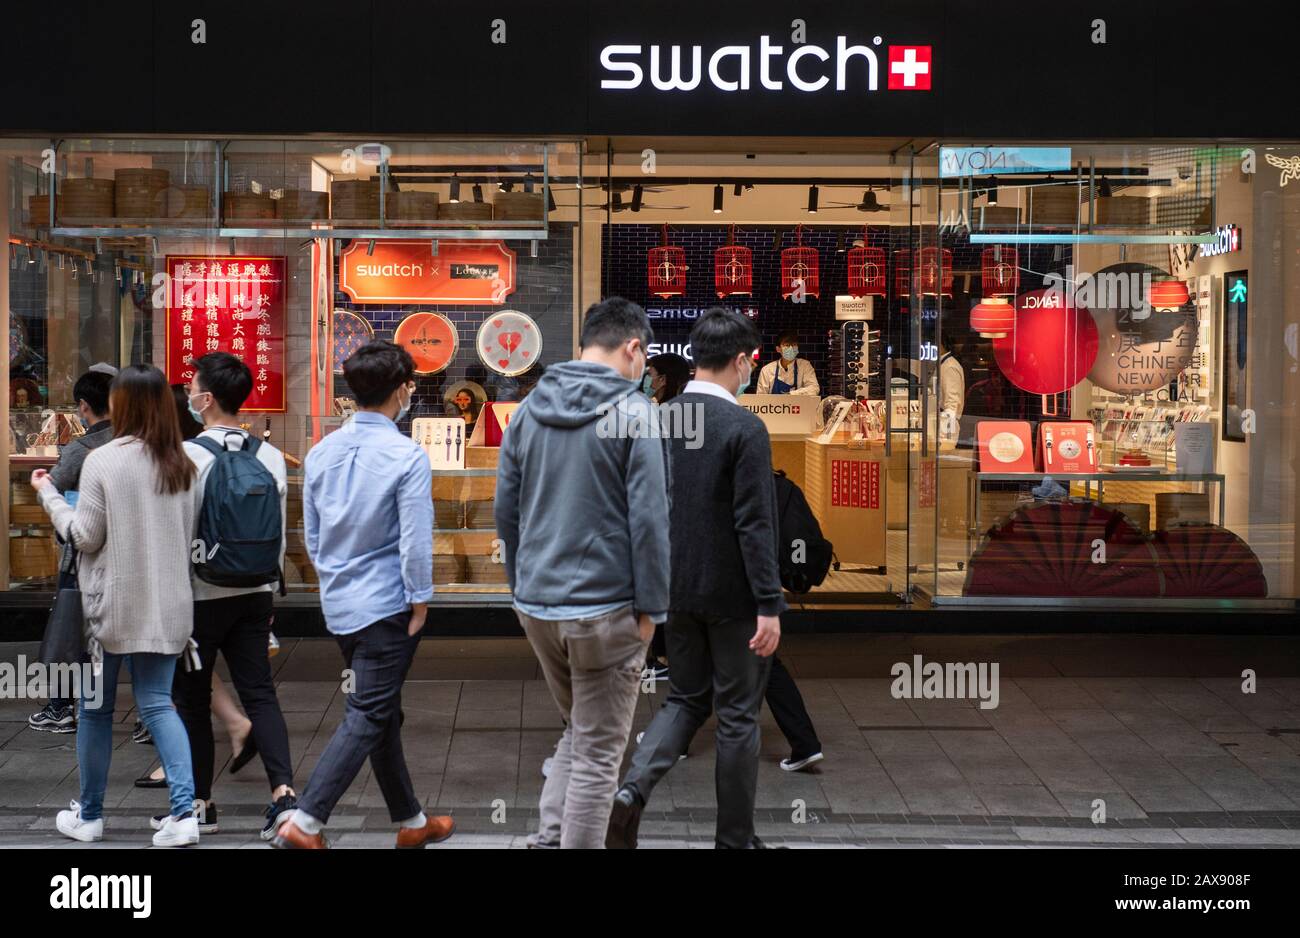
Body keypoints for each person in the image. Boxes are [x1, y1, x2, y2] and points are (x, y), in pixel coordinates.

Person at [496, 296, 669, 849]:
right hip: (605, 611)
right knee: (600, 753)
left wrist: (523, 587)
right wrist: (652, 613)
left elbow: (507, 511)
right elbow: (650, 521)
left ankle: (550, 838)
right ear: (633, 348)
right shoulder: (636, 413)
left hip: (538, 606)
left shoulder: (526, 410)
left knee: (580, 730)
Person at [608, 307, 784, 850]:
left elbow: (636, 507)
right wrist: (769, 602)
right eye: (750, 362)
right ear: (740, 361)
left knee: (684, 700)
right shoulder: (745, 428)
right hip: (733, 597)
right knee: (736, 717)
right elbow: (754, 523)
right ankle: (734, 841)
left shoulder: (660, 419)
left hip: (672, 589)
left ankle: (631, 792)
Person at [274, 340, 453, 849]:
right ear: (402, 389)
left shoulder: (322, 452)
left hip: (342, 603)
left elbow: (311, 534)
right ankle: (305, 822)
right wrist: (421, 600)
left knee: (381, 710)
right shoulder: (405, 454)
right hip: (388, 604)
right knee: (370, 712)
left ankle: (412, 821)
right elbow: (416, 540)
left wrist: (332, 582)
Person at [33, 364, 202, 847]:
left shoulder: (104, 460)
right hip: (168, 604)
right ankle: (184, 814)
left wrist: (49, 496)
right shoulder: (183, 463)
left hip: (110, 607)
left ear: (120, 405)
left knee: (95, 710)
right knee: (158, 706)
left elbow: (85, 537)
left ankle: (89, 816)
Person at [165, 352, 298, 841]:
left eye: (192, 386)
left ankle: (200, 804)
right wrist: (269, 582)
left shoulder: (187, 455)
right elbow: (280, 531)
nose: (189, 393)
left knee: (193, 702)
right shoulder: (267, 455)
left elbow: (178, 531)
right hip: (256, 592)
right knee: (260, 692)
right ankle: (283, 797)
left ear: (207, 398)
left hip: (200, 596)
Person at [27, 369, 114, 734]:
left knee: (71, 629)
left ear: (83, 406)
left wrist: (43, 485)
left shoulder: (84, 448)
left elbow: (54, 485)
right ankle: (145, 718)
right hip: (124, 555)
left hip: (82, 552)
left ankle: (62, 705)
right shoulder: (134, 439)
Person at [756, 331, 820, 396]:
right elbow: (760, 398)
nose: (791, 348)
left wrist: (790, 394)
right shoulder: (767, 370)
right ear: (778, 349)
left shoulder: (805, 366)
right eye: (787, 345)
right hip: (773, 406)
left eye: (794, 345)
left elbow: (814, 389)